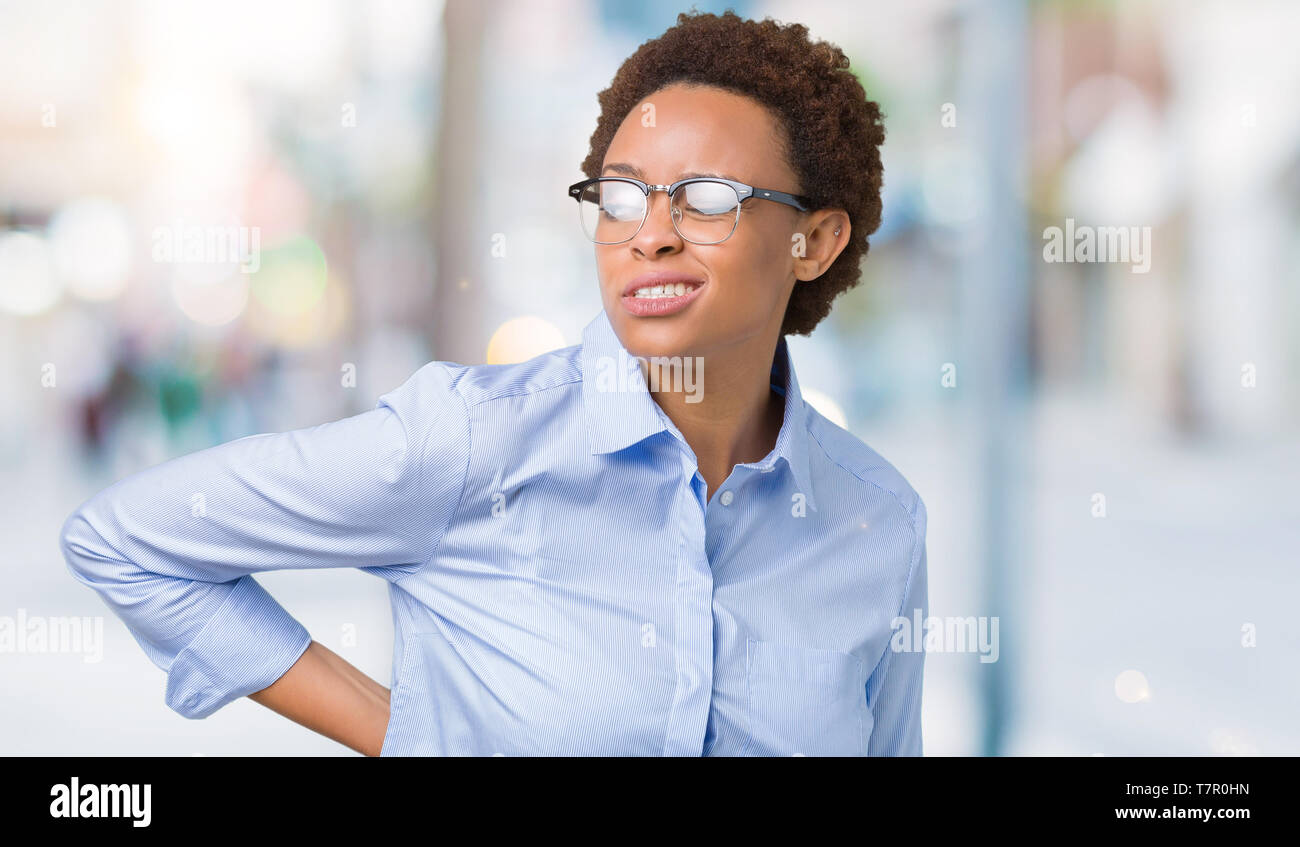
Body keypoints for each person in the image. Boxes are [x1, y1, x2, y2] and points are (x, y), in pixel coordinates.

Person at [60, 9, 927, 756]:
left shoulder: (877, 522)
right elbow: (127, 538)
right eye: (622, 198)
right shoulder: (474, 440)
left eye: (705, 198)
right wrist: (412, 736)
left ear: (815, 241)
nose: (650, 235)